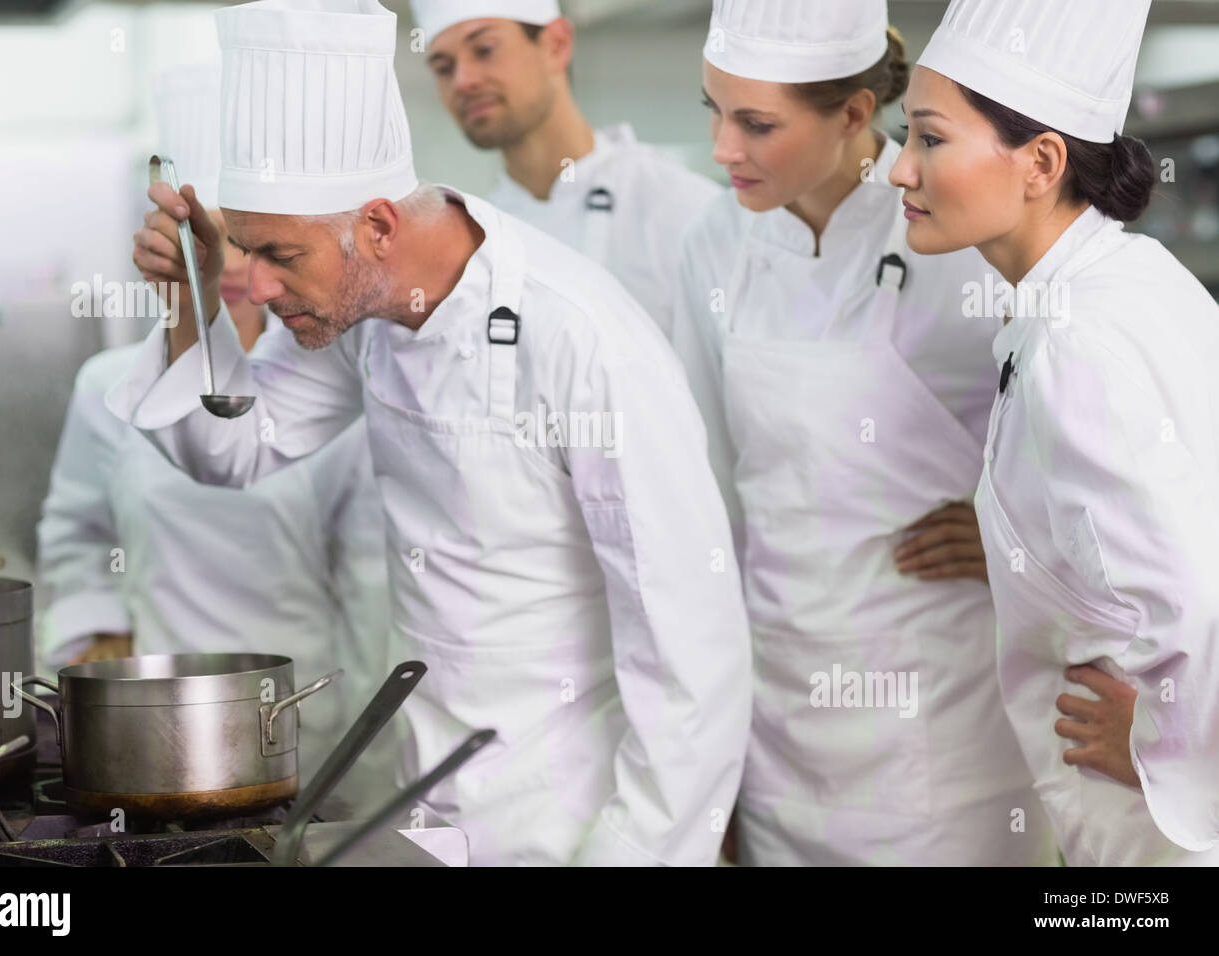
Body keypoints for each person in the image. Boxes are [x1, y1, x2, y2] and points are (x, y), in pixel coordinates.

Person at [113, 0, 751, 866]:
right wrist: (192, 300)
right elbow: (232, 449)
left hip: (577, 821)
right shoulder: (363, 311)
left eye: (279, 257)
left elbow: (690, 657)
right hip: (428, 803)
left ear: (376, 226)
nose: (256, 288)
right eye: (245, 252)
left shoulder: (582, 342)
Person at [672, 0, 1056, 865]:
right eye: (715, 112)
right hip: (778, 730)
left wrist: (1015, 536)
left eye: (756, 123)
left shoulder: (957, 230)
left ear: (852, 114)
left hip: (946, 748)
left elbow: (1085, 465)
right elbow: (704, 501)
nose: (722, 150)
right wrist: (705, 761)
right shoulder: (713, 243)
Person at [892, 0, 1219, 865]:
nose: (899, 170)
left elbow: (1201, 597)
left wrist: (1165, 745)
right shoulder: (1127, 278)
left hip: (1158, 837)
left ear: (1041, 161)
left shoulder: (1072, 340)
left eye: (929, 139)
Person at [36, 61, 397, 810]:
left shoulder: (329, 384)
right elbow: (76, 534)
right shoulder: (110, 385)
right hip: (148, 722)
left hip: (299, 724)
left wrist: (369, 764)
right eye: (211, 238)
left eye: (249, 241)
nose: (232, 265)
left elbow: (370, 586)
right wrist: (94, 626)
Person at [410, 0, 720, 340]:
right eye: (443, 68)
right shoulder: (477, 237)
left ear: (557, 45)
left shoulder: (682, 207)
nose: (463, 80)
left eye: (484, 50)